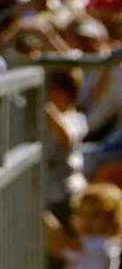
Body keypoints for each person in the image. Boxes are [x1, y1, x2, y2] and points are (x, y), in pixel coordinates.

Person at [46, 69, 89, 226]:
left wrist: (46, 108)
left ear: (60, 93)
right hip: (47, 194)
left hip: (67, 196)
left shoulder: (77, 119)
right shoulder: (44, 118)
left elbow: (67, 138)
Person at [45, 183, 122, 269]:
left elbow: (61, 244)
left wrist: (42, 216)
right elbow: (57, 248)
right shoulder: (85, 242)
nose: (86, 220)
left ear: (112, 220)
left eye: (94, 215)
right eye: (81, 213)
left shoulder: (106, 244)